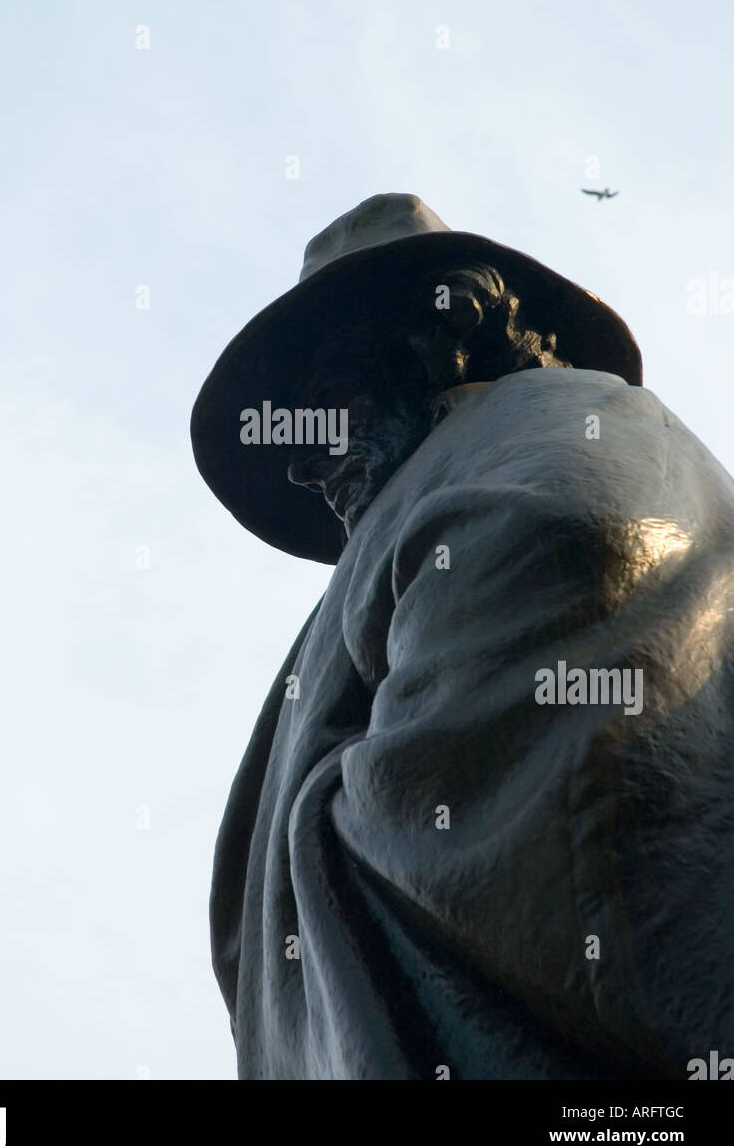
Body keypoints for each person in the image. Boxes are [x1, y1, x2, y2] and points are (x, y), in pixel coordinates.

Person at [191, 192, 734, 1079]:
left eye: (326, 398)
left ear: (436, 338)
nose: (300, 456)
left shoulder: (549, 422)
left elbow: (582, 544)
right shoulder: (445, 484)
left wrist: (344, 821)